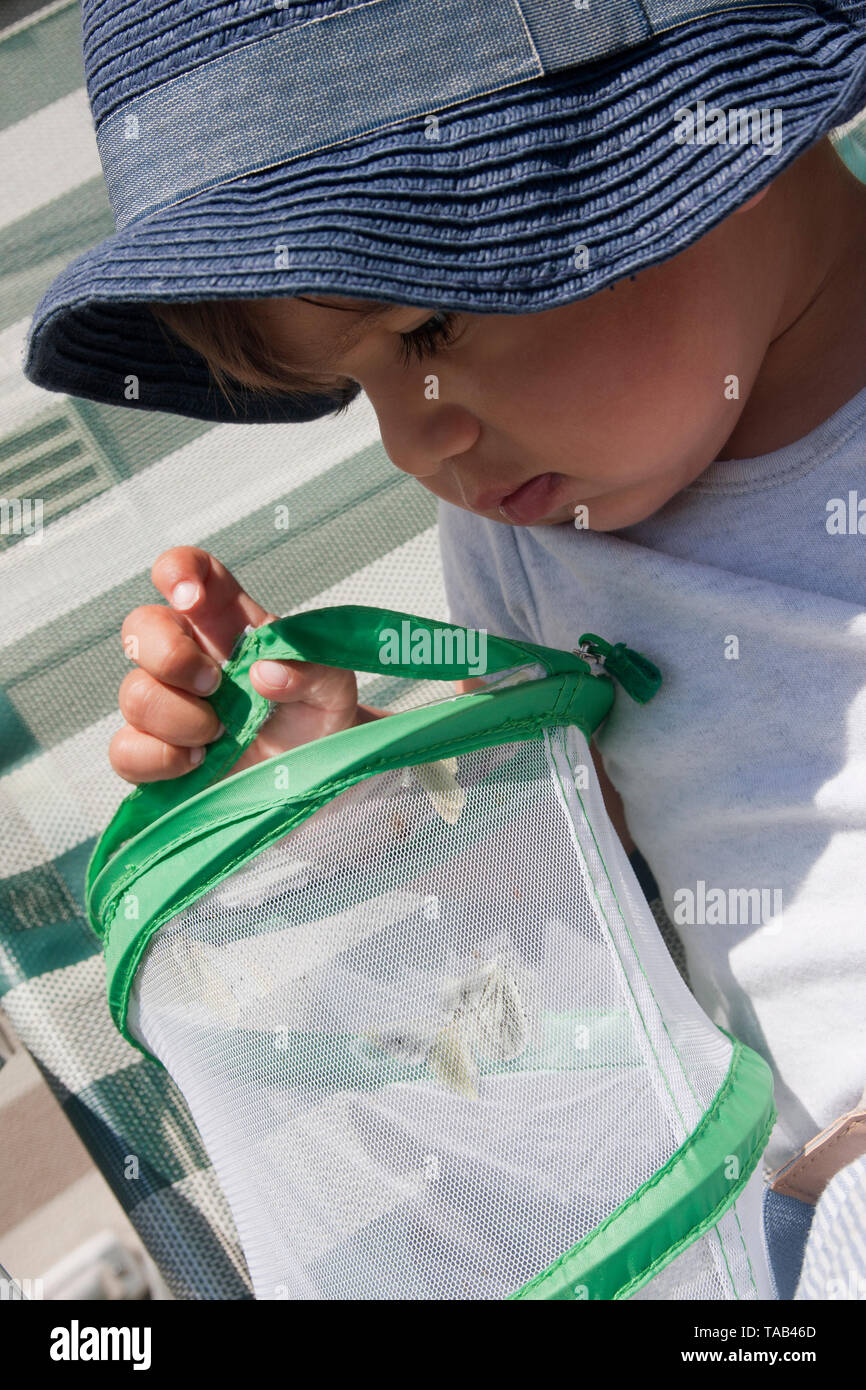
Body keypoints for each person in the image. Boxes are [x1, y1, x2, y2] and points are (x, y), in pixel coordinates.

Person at [23, 0, 866, 1297]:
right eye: (356, 385)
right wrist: (377, 805)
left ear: (707, 153)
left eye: (425, 332)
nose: (411, 445)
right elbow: (591, 938)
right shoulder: (537, 541)